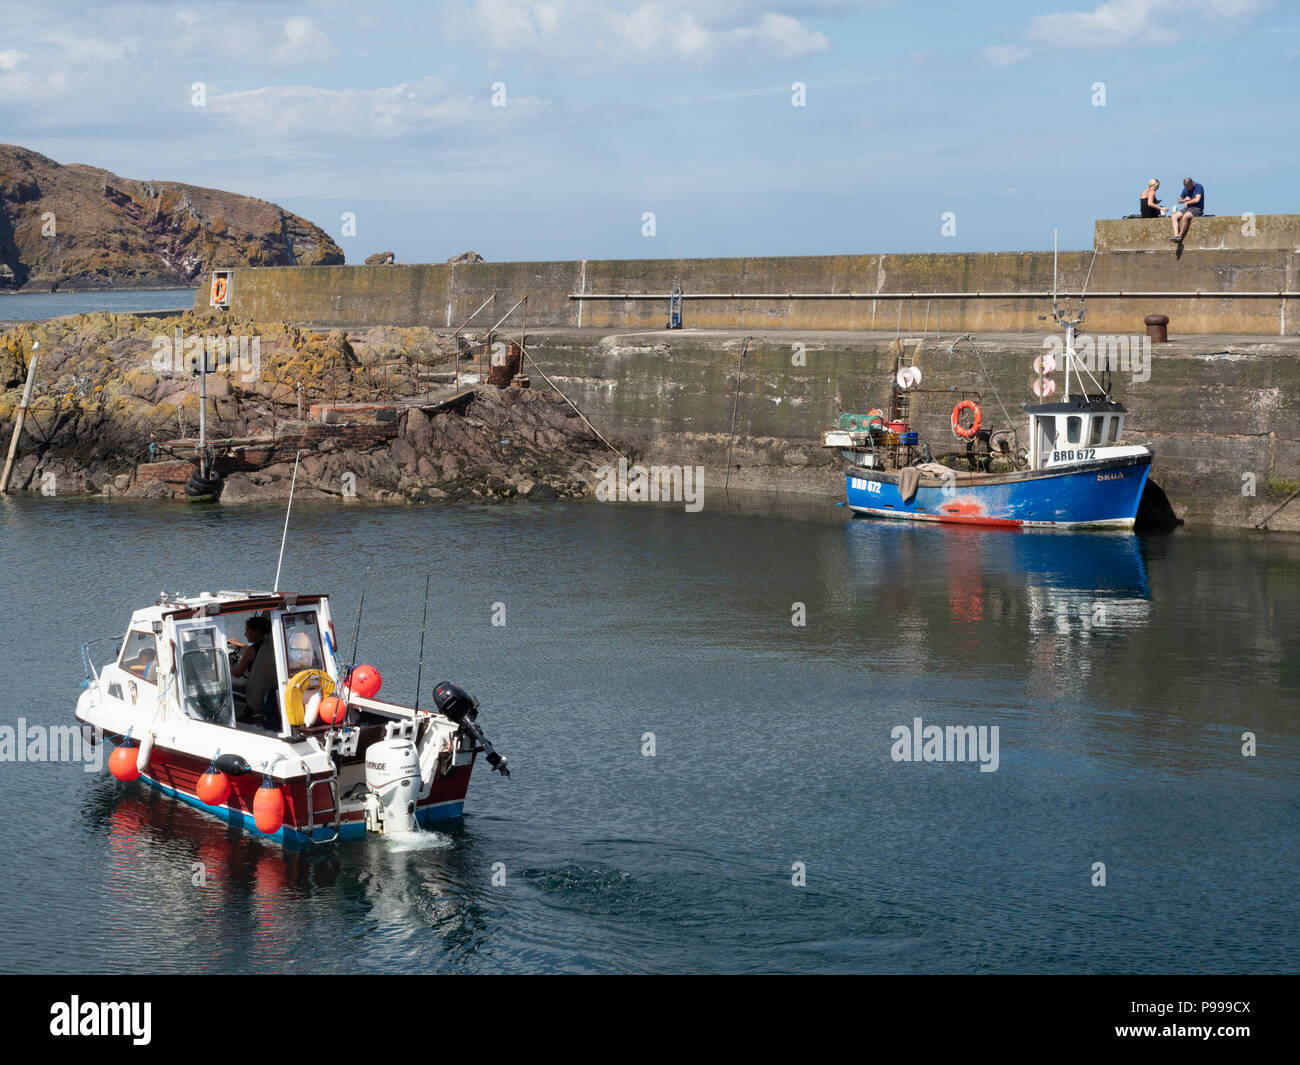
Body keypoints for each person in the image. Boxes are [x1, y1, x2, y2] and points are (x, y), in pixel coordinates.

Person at [232, 616, 279, 730]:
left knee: (229, 688)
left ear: (256, 631)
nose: (245, 634)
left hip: (253, 696)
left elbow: (237, 673)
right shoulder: (273, 647)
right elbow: (257, 650)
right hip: (269, 691)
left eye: (247, 631)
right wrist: (242, 646)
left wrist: (227, 664)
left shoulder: (251, 651)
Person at [1171, 177, 1205, 242]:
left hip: (1197, 209)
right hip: (1187, 208)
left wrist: (1188, 202)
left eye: (1189, 187)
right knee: (1174, 216)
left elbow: (1197, 199)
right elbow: (1179, 200)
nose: (1188, 189)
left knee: (1185, 216)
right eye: (1186, 187)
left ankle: (1180, 236)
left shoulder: (1199, 186)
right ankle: (1176, 235)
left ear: (1192, 183)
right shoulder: (1185, 188)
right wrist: (1184, 200)